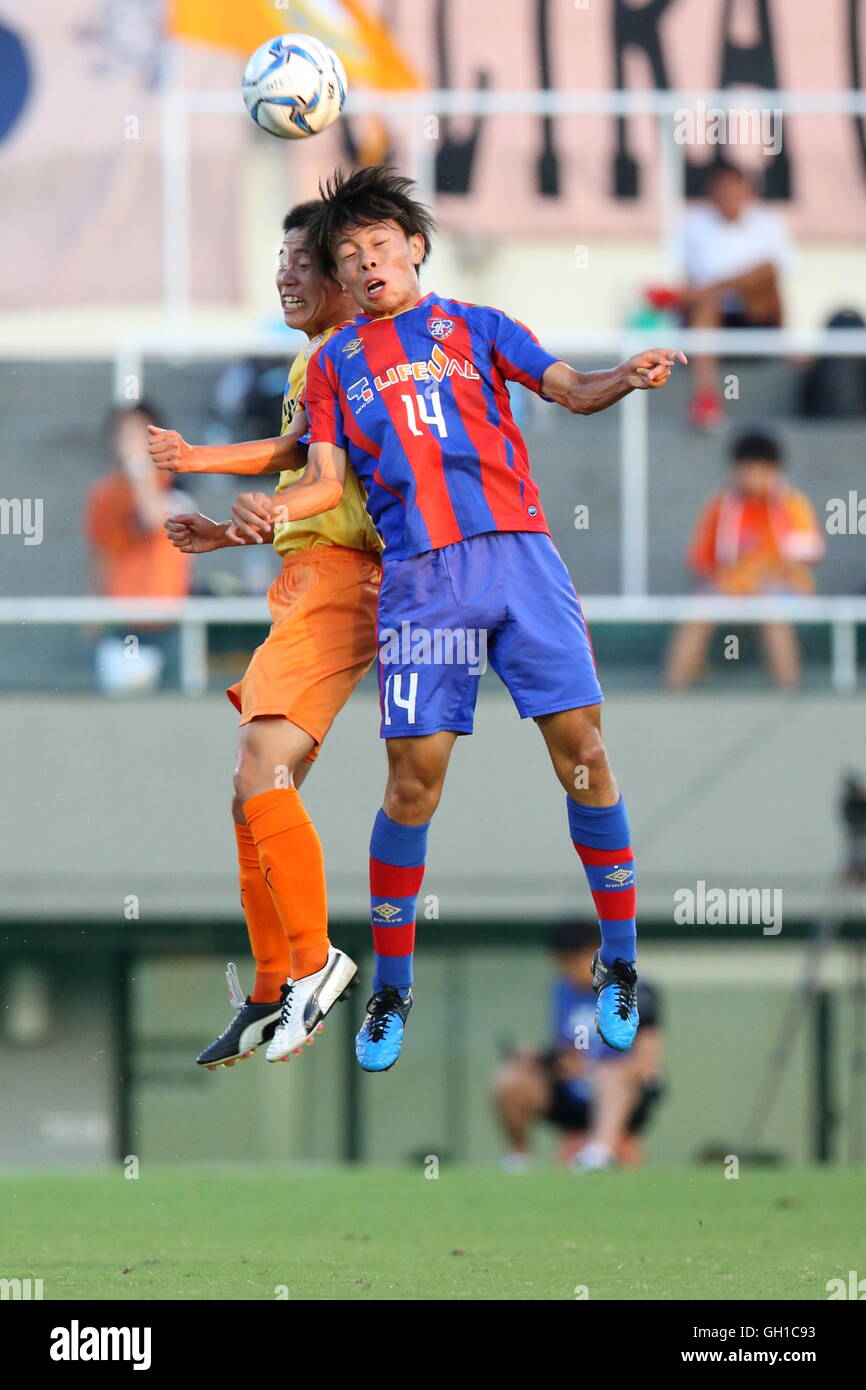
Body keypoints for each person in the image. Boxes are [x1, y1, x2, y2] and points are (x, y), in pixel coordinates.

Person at [233, 165, 686, 1072]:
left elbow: (570, 389)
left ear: (415, 247)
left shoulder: (478, 326)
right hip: (421, 582)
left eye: (379, 245)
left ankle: (620, 961)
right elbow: (321, 479)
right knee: (412, 786)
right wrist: (269, 508)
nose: (367, 264)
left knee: (585, 756)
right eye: (349, 255)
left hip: (520, 560)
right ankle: (391, 988)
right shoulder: (333, 364)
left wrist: (626, 377)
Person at [147, 200, 383, 1067]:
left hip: (338, 578)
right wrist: (221, 520)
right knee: (251, 787)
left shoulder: (352, 353)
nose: (286, 275)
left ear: (345, 276)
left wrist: (226, 479)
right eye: (281, 259)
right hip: (311, 577)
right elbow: (300, 456)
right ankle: (271, 987)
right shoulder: (315, 359)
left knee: (259, 769)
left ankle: (314, 966)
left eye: (302, 261)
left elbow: (325, 478)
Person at [493, 921, 664, 1172]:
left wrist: (599, 1071)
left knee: (609, 1073)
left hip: (622, 1095)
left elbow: (647, 1058)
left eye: (571, 961)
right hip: (573, 1093)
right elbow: (567, 1051)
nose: (567, 969)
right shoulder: (562, 989)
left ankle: (599, 1154)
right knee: (510, 1078)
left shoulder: (635, 988)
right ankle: (519, 1159)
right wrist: (543, 1059)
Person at [665, 431, 825, 691]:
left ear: (774, 470)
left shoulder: (793, 505)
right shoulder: (720, 506)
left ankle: (788, 691)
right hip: (730, 588)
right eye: (747, 468)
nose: (753, 476)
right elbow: (701, 561)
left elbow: (806, 556)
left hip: (781, 589)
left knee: (772, 611)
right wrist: (732, 583)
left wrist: (760, 579)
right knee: (698, 610)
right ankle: (674, 690)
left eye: (761, 469)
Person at [85, 402, 192, 692]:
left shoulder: (175, 484)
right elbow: (100, 554)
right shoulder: (104, 494)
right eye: (124, 433)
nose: (130, 441)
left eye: (139, 433)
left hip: (170, 619)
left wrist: (139, 466)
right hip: (123, 622)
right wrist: (93, 612)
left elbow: (154, 518)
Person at [681, 164, 792, 430]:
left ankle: (784, 348)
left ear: (746, 191)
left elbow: (773, 274)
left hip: (757, 313)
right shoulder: (692, 226)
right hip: (714, 315)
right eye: (722, 191)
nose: (728, 197)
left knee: (764, 276)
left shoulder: (768, 223)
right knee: (708, 301)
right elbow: (688, 286)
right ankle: (706, 396)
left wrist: (720, 285)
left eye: (733, 190)